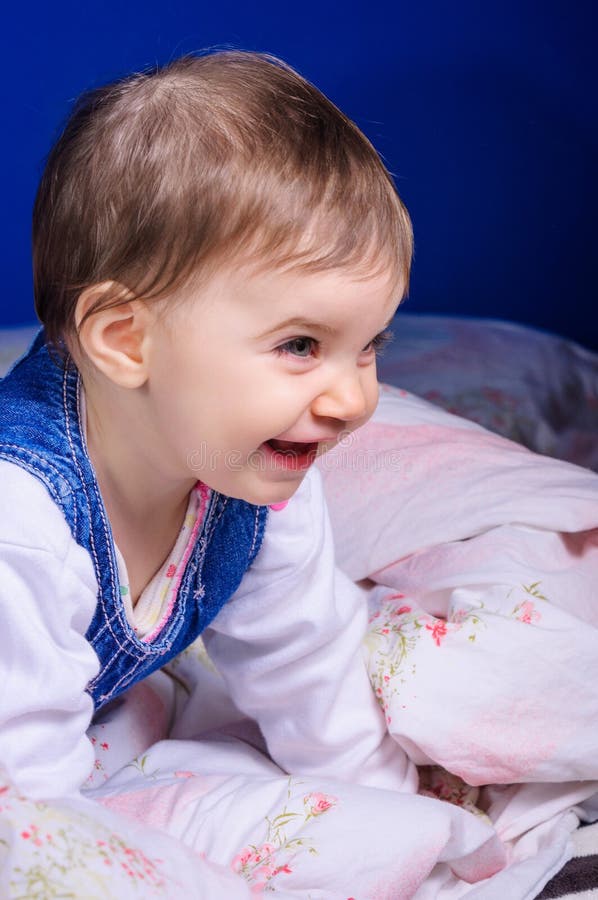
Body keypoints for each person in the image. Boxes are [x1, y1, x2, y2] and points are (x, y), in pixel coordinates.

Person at [0, 50, 417, 801]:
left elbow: (309, 665)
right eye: (301, 345)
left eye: (370, 347)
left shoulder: (251, 474)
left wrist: (403, 812)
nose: (352, 400)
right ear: (127, 340)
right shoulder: (20, 520)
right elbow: (27, 813)